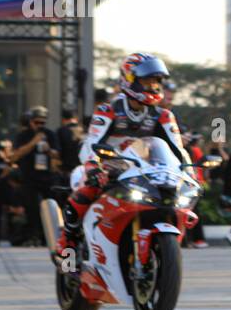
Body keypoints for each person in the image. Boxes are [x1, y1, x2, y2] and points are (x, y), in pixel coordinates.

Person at [58, 52, 191, 252]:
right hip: (109, 167)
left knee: (175, 198)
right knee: (86, 190)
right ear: (130, 79)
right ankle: (67, 241)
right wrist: (94, 167)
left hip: (145, 171)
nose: (153, 86)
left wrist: (189, 173)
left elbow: (178, 150)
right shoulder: (108, 110)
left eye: (156, 81)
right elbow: (91, 143)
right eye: (147, 81)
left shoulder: (164, 115)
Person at [8, 106, 60, 246]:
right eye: (37, 123)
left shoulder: (49, 134)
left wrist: (49, 150)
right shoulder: (23, 136)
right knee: (32, 208)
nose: (40, 126)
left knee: (49, 207)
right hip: (29, 177)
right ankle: (32, 235)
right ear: (30, 122)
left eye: (42, 123)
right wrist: (33, 142)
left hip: (46, 177)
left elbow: (57, 154)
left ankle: (47, 237)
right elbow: (14, 156)